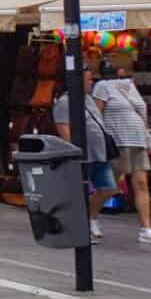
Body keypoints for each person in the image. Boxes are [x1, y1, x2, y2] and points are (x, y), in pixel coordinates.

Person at [94, 57, 151, 246]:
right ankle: (90, 218)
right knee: (110, 186)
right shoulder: (102, 86)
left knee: (141, 184)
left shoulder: (131, 87)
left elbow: (140, 111)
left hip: (137, 140)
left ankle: (146, 229)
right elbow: (97, 113)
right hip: (118, 140)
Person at [52, 62, 113, 244]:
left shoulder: (89, 99)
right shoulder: (65, 102)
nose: (92, 83)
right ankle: (82, 228)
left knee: (109, 188)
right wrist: (75, 151)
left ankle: (91, 218)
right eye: (88, 80)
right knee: (81, 193)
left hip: (99, 152)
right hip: (84, 155)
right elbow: (63, 128)